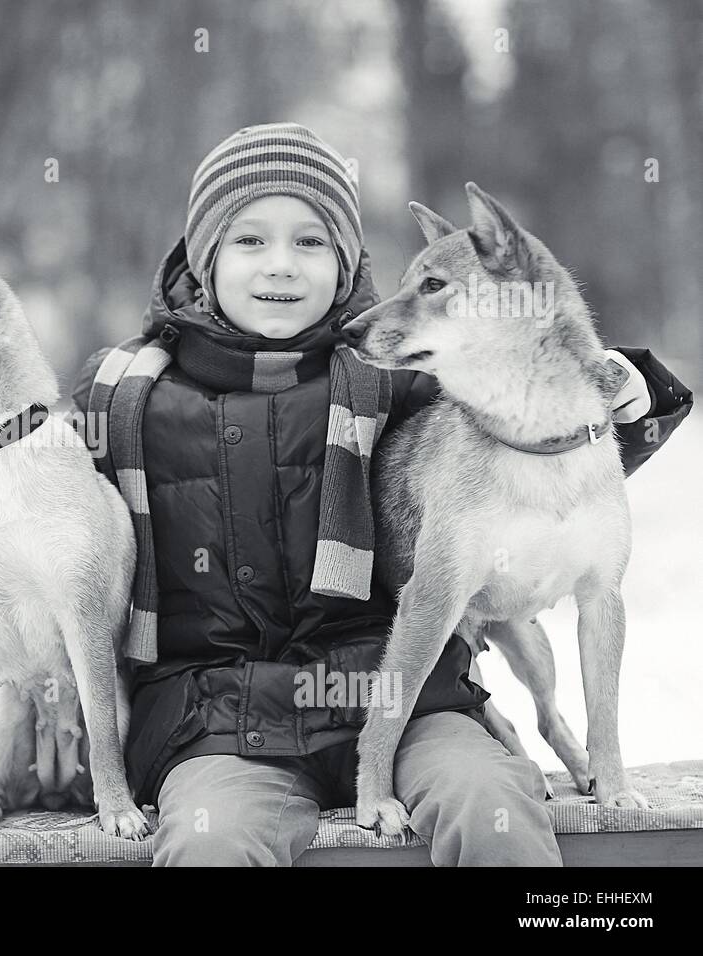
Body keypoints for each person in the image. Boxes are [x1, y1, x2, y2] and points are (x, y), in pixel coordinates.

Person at [69, 122, 694, 866]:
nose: (282, 265)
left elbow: (536, 398)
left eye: (310, 242)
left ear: (345, 263)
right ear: (204, 261)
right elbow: (33, 508)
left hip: (406, 699)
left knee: (491, 804)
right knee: (215, 842)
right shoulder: (123, 400)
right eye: (248, 241)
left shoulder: (409, 378)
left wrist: (631, 385)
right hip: (222, 723)